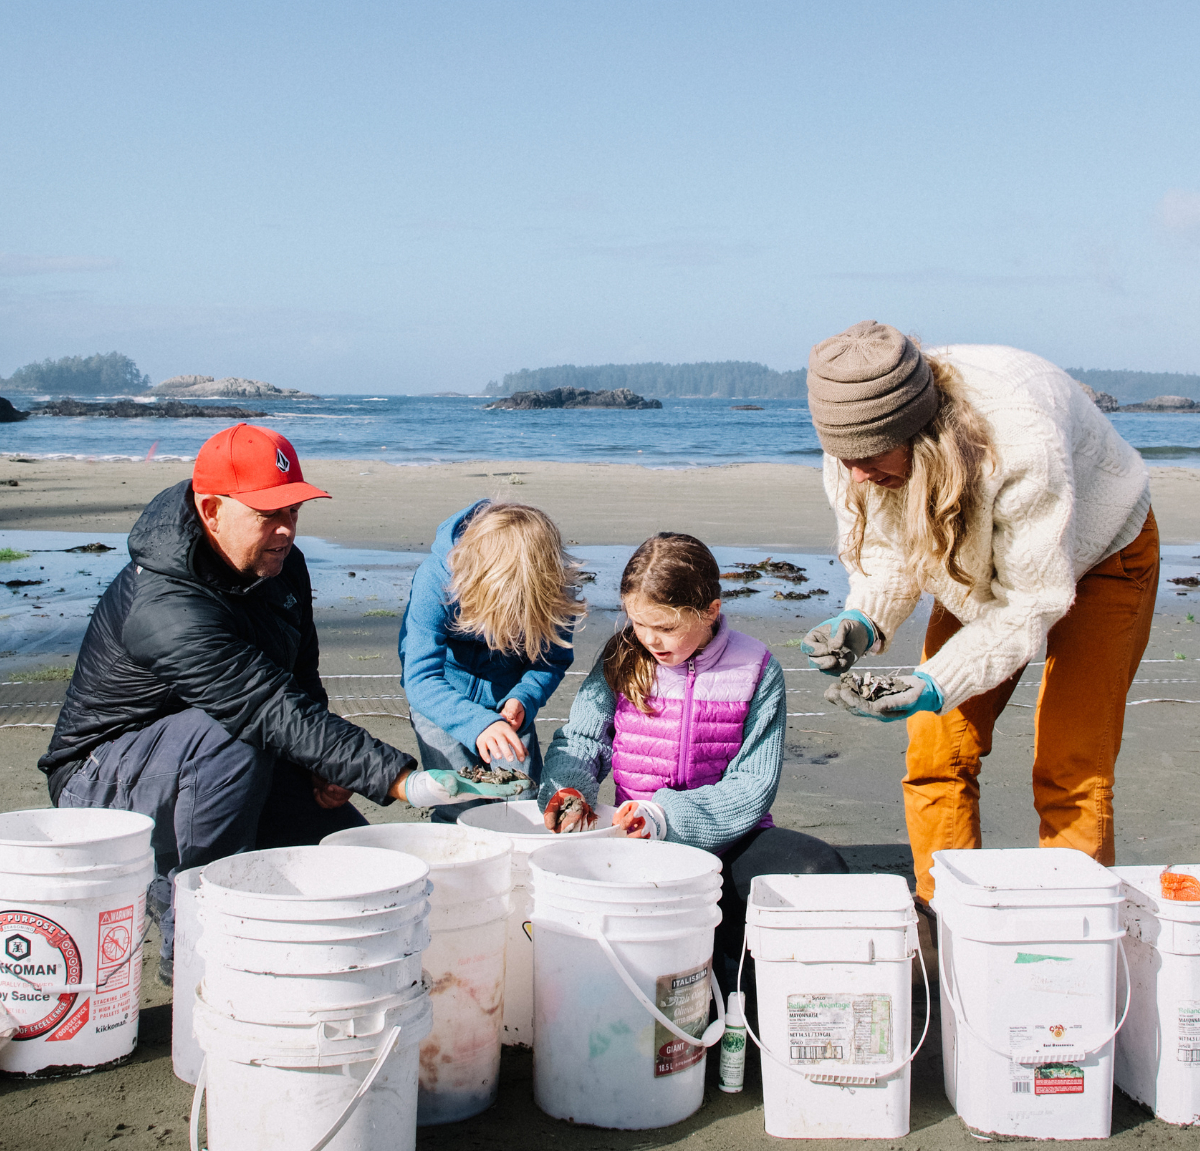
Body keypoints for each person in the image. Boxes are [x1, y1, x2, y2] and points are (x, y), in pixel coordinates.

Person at [39, 424, 507, 979]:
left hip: (224, 763)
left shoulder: (282, 568)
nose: (286, 531)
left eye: (294, 511)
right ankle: (193, 931)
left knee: (353, 859)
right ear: (212, 510)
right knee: (228, 732)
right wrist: (401, 779)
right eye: (268, 514)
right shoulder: (163, 606)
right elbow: (262, 707)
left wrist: (325, 767)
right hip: (102, 780)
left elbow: (298, 682)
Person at [800, 321, 1158, 906]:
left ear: (918, 433)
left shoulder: (1020, 446)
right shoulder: (853, 454)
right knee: (935, 751)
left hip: (1103, 551)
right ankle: (944, 919)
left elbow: (1025, 606)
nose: (856, 473)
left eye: (869, 456)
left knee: (1070, 765)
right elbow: (888, 553)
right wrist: (862, 620)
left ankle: (1070, 933)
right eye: (844, 457)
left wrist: (934, 680)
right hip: (977, 555)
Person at [537, 532, 846, 995]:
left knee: (822, 868)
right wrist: (567, 790)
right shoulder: (623, 656)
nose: (650, 640)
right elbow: (582, 741)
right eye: (639, 623)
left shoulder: (757, 669)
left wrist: (667, 817)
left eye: (665, 627)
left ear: (710, 612)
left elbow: (752, 785)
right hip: (637, 844)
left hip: (730, 843)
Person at [399, 501, 582, 819]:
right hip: (441, 698)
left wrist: (525, 697)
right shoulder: (436, 581)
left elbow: (552, 659)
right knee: (456, 800)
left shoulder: (552, 590)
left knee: (522, 798)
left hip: (506, 699)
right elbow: (419, 678)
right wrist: (478, 724)